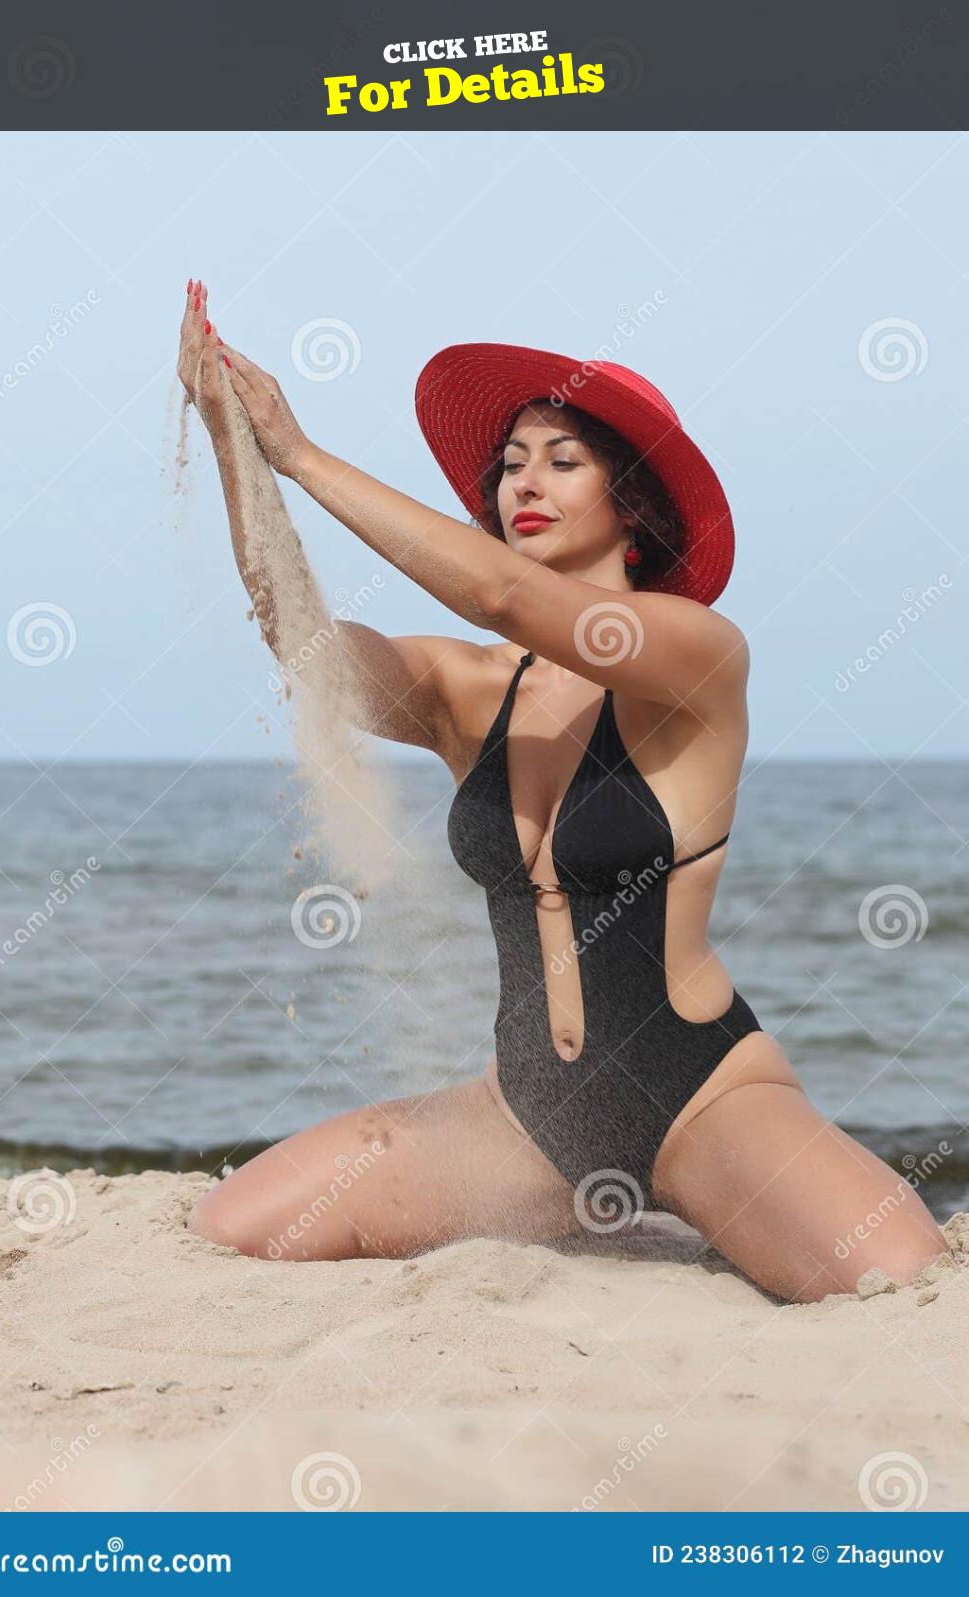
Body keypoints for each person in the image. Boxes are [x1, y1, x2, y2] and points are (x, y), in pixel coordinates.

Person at [178, 280, 951, 1303]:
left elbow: (507, 593)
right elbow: (304, 644)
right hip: (530, 1117)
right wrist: (235, 441)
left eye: (562, 460)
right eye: (509, 465)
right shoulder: (470, 689)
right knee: (235, 1225)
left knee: (901, 1282)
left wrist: (307, 456)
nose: (522, 484)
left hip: (701, 1098)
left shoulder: (695, 657)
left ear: (632, 503)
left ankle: (712, 1192)